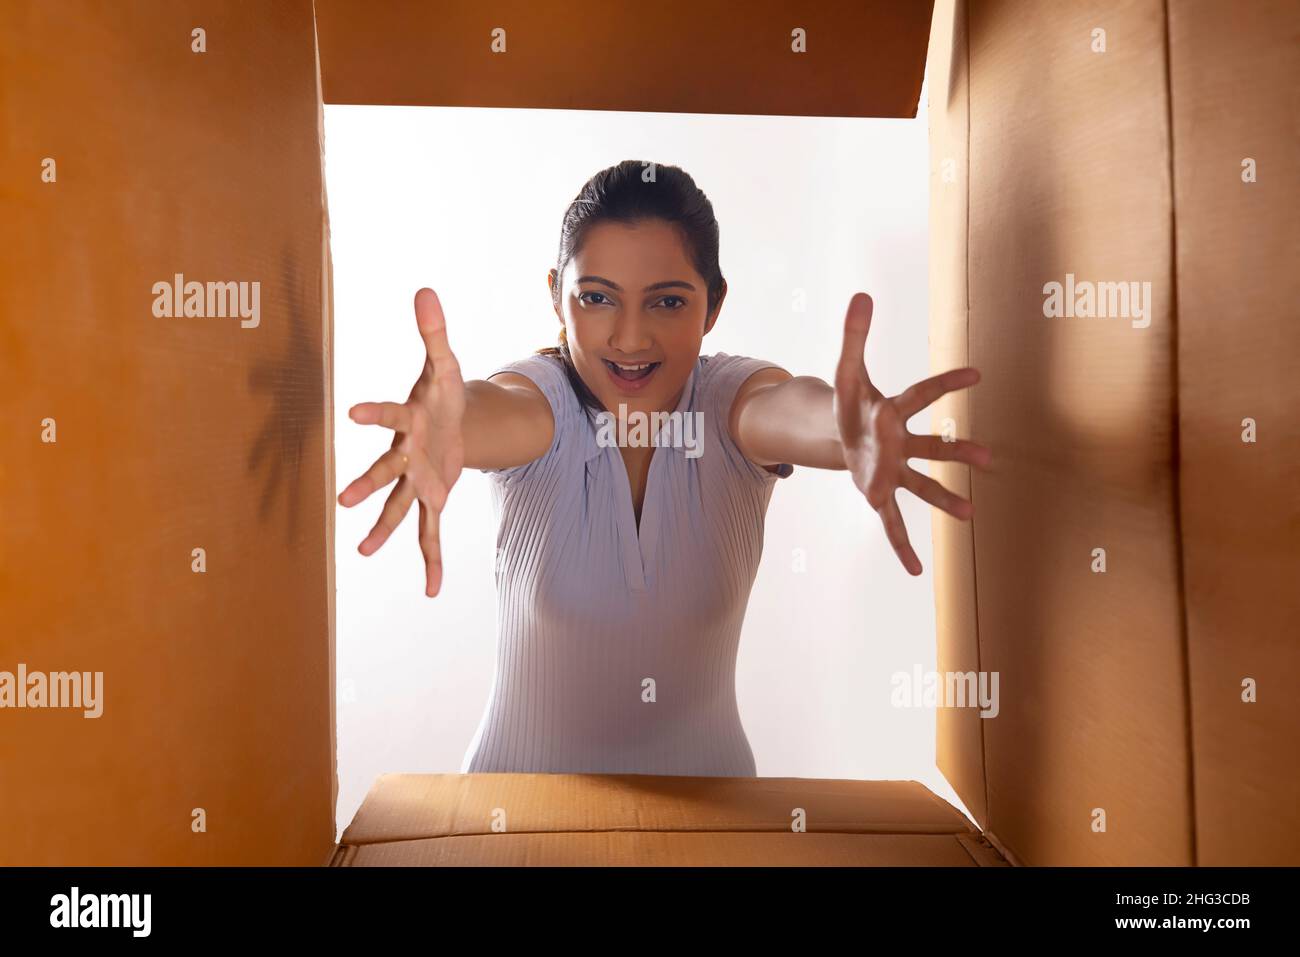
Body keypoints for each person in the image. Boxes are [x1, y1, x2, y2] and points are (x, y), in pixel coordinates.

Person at [337, 160, 990, 776]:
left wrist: (848, 432)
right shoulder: (543, 402)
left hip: (714, 824)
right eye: (596, 298)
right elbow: (497, 412)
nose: (629, 337)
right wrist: (453, 426)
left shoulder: (727, 400)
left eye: (668, 302)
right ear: (555, 297)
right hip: (513, 818)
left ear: (715, 304)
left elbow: (783, 410)